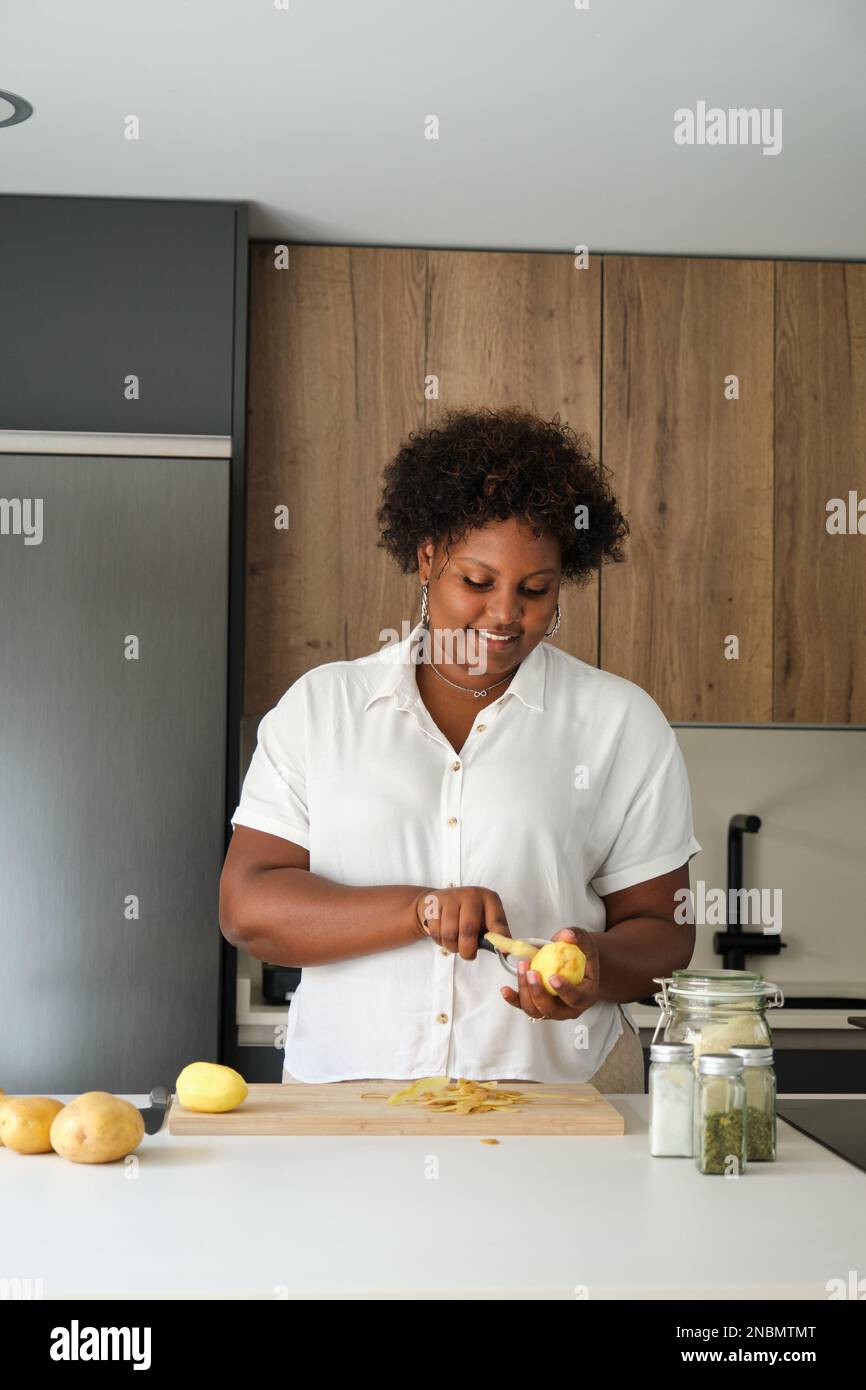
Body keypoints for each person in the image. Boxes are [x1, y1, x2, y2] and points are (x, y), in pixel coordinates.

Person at [219, 406, 701, 1091]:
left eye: (535, 591)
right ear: (426, 556)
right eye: (477, 582)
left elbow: (665, 932)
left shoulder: (618, 721)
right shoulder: (322, 709)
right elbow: (248, 908)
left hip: (560, 1100)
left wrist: (594, 966)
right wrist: (423, 909)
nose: (506, 614)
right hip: (347, 1106)